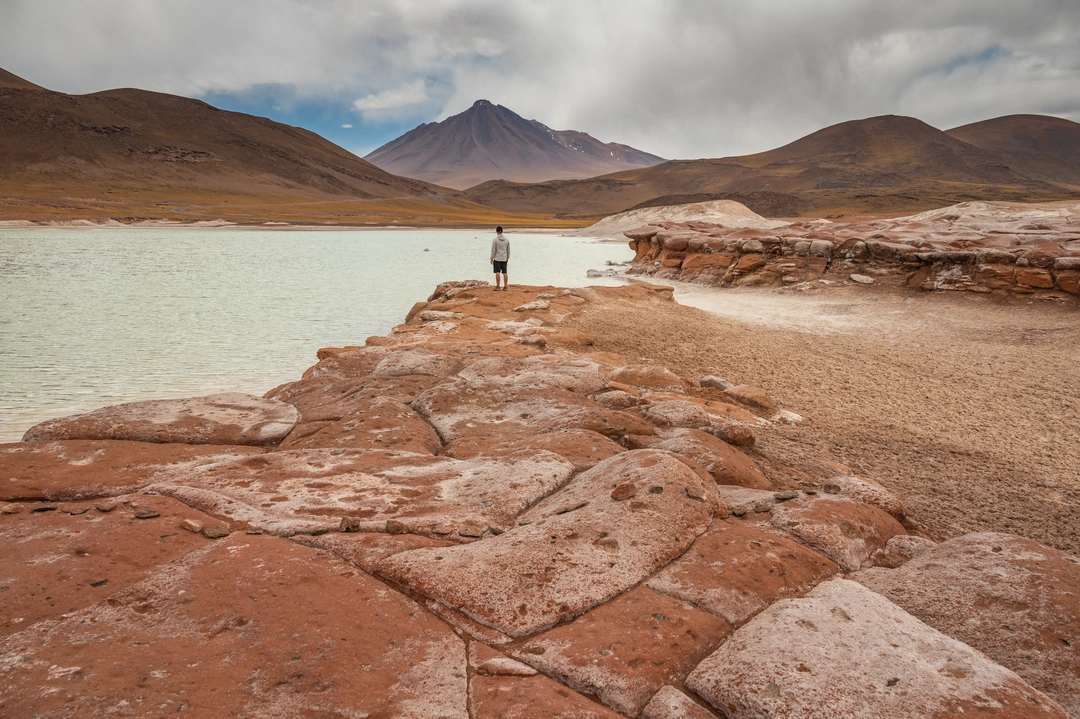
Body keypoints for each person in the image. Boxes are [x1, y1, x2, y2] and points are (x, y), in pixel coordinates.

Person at [490, 225, 510, 290]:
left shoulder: (495, 240)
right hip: (504, 258)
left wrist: (491, 258)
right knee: (505, 272)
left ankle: (498, 286)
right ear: (502, 231)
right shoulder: (507, 240)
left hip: (497, 258)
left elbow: (493, 250)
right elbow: (508, 250)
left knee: (497, 272)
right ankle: (505, 286)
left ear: (496, 231)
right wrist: (507, 258)